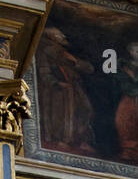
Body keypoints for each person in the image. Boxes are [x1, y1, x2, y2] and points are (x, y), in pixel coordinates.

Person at [37, 26, 97, 154]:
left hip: (74, 87)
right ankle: (62, 140)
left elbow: (88, 68)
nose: (63, 37)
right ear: (51, 38)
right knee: (61, 114)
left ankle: (82, 139)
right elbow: (44, 71)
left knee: (85, 109)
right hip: (58, 90)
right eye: (59, 35)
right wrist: (56, 83)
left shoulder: (64, 53)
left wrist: (75, 62)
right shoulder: (46, 52)